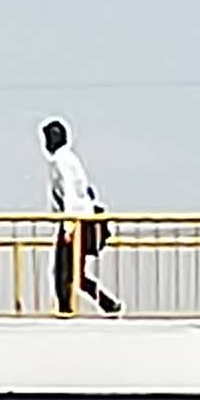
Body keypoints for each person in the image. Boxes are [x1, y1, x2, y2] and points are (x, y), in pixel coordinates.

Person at [42, 117, 120, 316]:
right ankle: (107, 303)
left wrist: (68, 226)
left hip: (74, 221)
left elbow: (70, 195)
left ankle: (65, 310)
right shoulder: (69, 159)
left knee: (63, 271)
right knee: (74, 271)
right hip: (82, 220)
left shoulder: (61, 161)